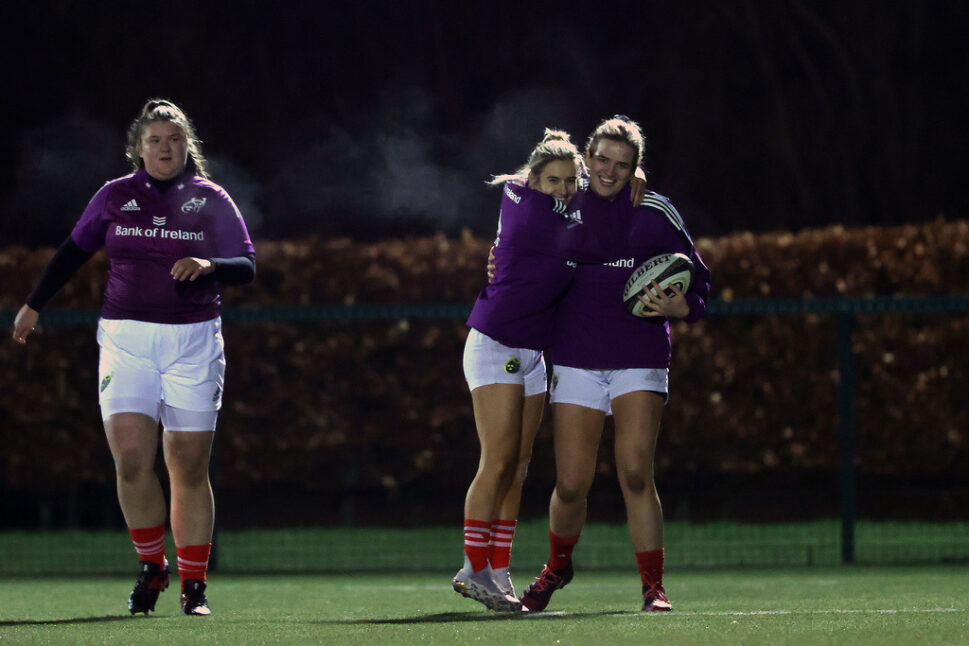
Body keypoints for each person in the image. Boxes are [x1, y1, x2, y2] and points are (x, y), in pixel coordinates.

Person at [11, 99, 255, 617]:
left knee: (187, 466)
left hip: (193, 343)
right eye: (154, 140)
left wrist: (210, 264)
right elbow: (73, 251)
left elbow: (246, 266)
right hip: (126, 342)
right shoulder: (114, 196)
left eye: (174, 139)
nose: (165, 148)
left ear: (187, 145)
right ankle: (152, 567)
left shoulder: (210, 198)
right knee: (130, 462)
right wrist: (34, 304)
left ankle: (194, 587)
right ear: (138, 148)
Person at [519, 116, 711, 613]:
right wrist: (497, 261)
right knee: (571, 483)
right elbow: (520, 229)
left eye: (621, 165)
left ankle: (653, 587)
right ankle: (557, 568)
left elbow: (699, 278)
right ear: (587, 157)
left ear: (634, 170)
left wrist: (682, 307)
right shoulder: (564, 205)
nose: (609, 170)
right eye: (601, 159)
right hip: (578, 358)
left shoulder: (653, 210)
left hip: (639, 357)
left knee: (634, 474)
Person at [453, 129, 584, 612]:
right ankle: (472, 567)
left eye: (572, 181)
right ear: (533, 179)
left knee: (521, 467)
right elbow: (582, 218)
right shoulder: (529, 205)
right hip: (496, 343)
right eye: (554, 180)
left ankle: (498, 571)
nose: (565, 190)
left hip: (532, 351)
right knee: (498, 460)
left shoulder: (558, 206)